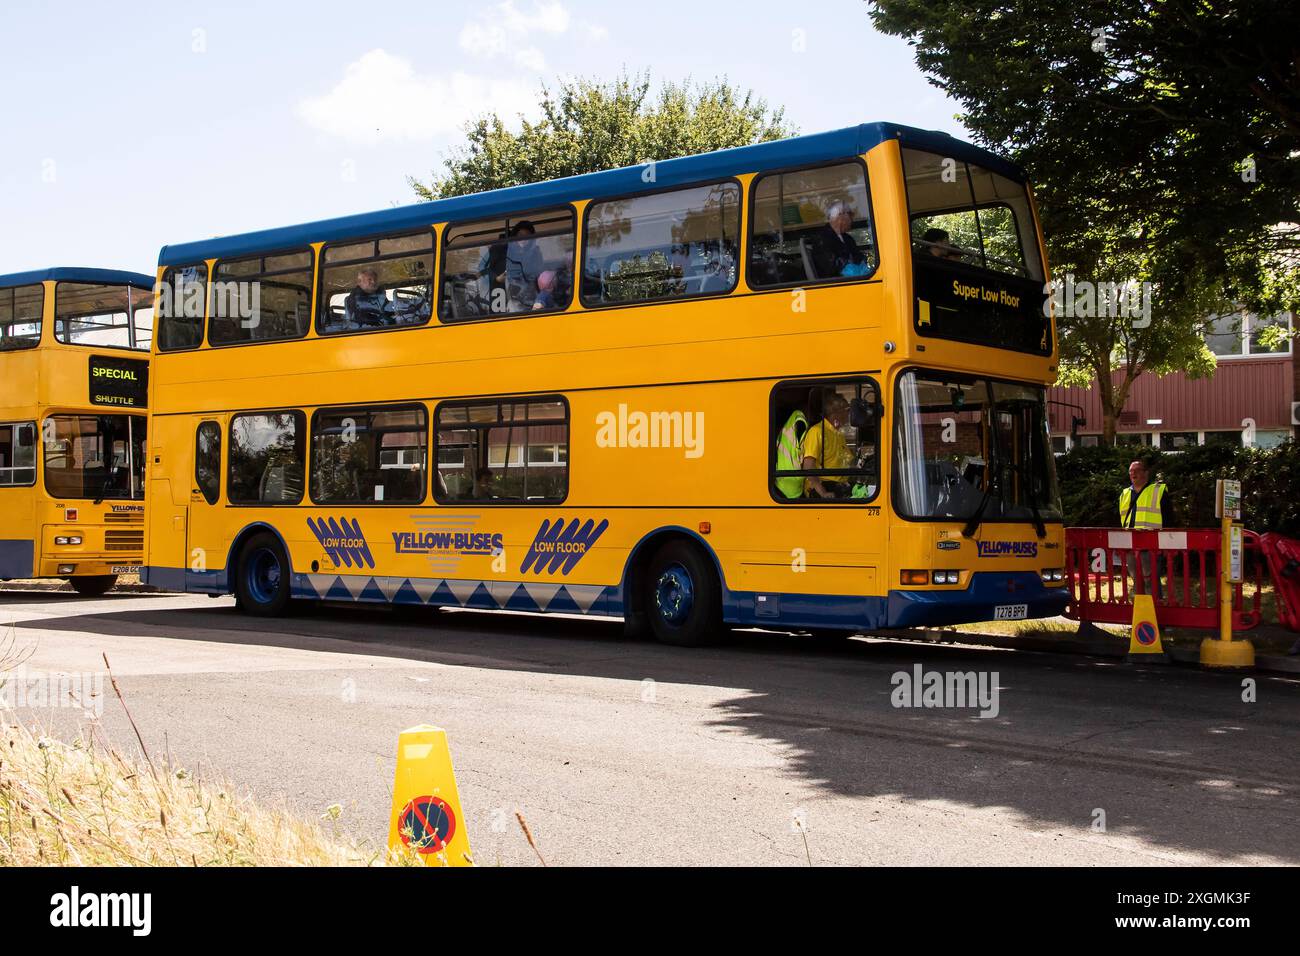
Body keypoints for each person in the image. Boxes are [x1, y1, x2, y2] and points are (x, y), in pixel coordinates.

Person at [1120, 458, 1174, 597]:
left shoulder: (1158, 490)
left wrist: (1166, 544)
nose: (1133, 473)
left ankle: (1156, 610)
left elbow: (1169, 519)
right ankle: (1142, 612)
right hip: (1130, 545)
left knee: (1151, 581)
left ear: (1146, 473)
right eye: (1131, 471)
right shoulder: (1125, 494)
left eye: (1137, 470)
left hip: (1151, 545)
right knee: (1137, 581)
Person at [800, 393, 856, 499]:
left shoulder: (838, 434)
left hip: (840, 485)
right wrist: (823, 493)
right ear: (836, 413)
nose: (849, 414)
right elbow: (808, 466)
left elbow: (847, 461)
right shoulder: (817, 432)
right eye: (847, 410)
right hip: (822, 487)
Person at [811, 201, 867, 278]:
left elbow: (858, 256)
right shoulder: (822, 238)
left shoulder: (848, 238)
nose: (852, 220)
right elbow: (830, 265)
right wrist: (849, 268)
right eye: (850, 215)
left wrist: (862, 264)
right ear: (840, 217)